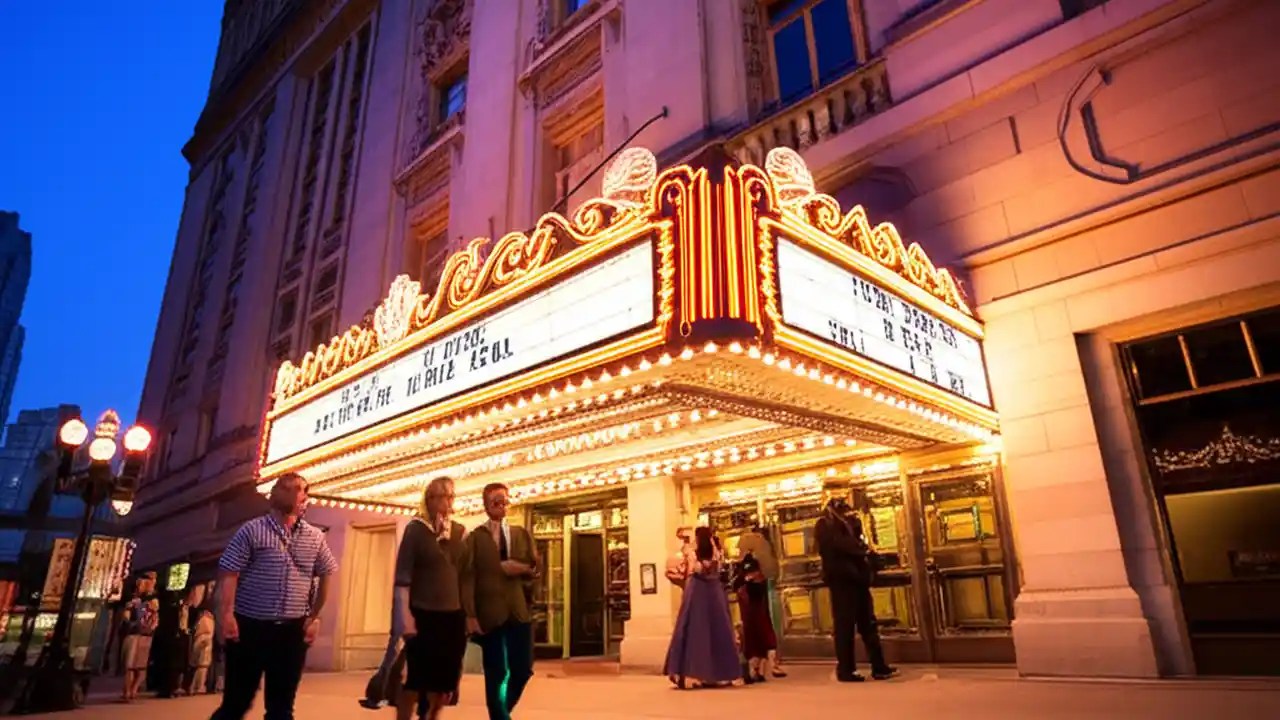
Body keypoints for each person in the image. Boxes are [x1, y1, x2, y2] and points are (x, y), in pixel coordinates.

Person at [210, 472, 338, 720]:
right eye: (302, 491)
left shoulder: (315, 536)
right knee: (237, 703)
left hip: (292, 631)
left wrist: (314, 616)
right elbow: (229, 573)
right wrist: (227, 614)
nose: (306, 498)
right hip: (250, 627)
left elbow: (327, 573)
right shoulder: (252, 530)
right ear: (284, 493)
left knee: (282, 708)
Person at [394, 477, 469, 720]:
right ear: (428, 500)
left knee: (445, 683)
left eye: (449, 496)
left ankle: (431, 717)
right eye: (438, 496)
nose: (445, 502)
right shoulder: (415, 529)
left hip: (452, 615)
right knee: (416, 679)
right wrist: (404, 616)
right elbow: (403, 577)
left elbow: (465, 574)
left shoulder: (459, 531)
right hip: (422, 613)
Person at [461, 483, 537, 720]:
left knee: (522, 669)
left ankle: (500, 713)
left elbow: (536, 567)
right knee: (496, 672)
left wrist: (521, 568)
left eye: (504, 501)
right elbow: (467, 578)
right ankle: (500, 717)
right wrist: (471, 615)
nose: (501, 506)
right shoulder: (475, 538)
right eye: (495, 501)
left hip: (517, 611)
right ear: (485, 505)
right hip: (489, 613)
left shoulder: (520, 534)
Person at [814, 497, 896, 682]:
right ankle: (846, 669)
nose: (845, 510)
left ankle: (879, 666)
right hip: (842, 581)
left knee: (869, 624)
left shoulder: (850, 523)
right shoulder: (825, 524)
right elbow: (840, 546)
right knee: (845, 627)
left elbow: (859, 544)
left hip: (858, 579)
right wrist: (858, 547)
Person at [663, 527, 741, 689]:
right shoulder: (716, 552)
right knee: (718, 630)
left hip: (696, 591)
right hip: (714, 591)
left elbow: (689, 571)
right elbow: (718, 570)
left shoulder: (692, 552)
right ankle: (719, 674)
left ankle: (688, 672)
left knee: (693, 631)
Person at [737, 525, 786, 677]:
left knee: (755, 635)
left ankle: (757, 669)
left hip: (751, 604)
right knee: (765, 632)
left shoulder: (745, 563)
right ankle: (771, 666)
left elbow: (738, 582)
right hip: (758, 602)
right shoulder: (764, 563)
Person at [731, 551, 777, 683]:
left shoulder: (742, 581)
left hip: (751, 615)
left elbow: (737, 585)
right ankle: (761, 669)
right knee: (761, 639)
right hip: (756, 613)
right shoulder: (759, 578)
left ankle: (755, 670)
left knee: (754, 641)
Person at [121, 595, 159, 702]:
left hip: (145, 638)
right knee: (131, 667)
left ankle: (133, 690)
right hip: (135, 636)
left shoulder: (153, 612)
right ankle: (128, 691)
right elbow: (126, 618)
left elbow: (154, 625)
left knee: (139, 667)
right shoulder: (135, 605)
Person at [189, 608, 215, 695]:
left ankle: (195, 686)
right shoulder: (208, 619)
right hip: (205, 640)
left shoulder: (201, 618)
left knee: (200, 666)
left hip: (200, 639)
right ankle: (199, 686)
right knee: (203, 666)